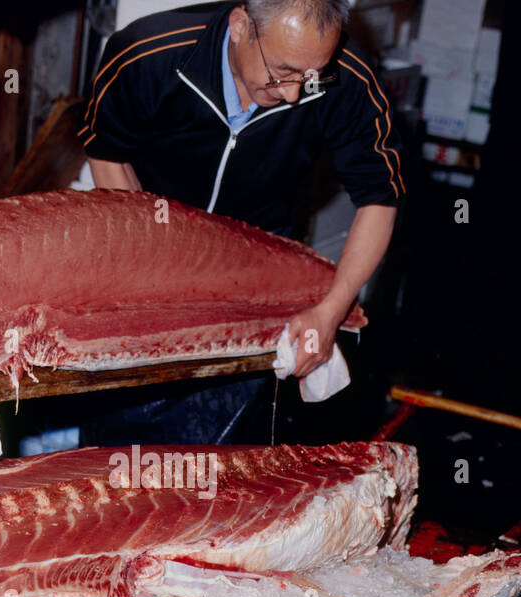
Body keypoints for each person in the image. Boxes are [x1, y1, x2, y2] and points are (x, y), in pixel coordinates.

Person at [79, 0, 404, 409]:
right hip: (151, 242)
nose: (292, 94)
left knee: (225, 431)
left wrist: (331, 310)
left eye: (310, 77)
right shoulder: (148, 52)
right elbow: (107, 150)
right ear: (240, 27)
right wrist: (151, 257)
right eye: (281, 73)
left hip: (258, 262)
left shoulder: (349, 76)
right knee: (123, 423)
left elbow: (379, 198)